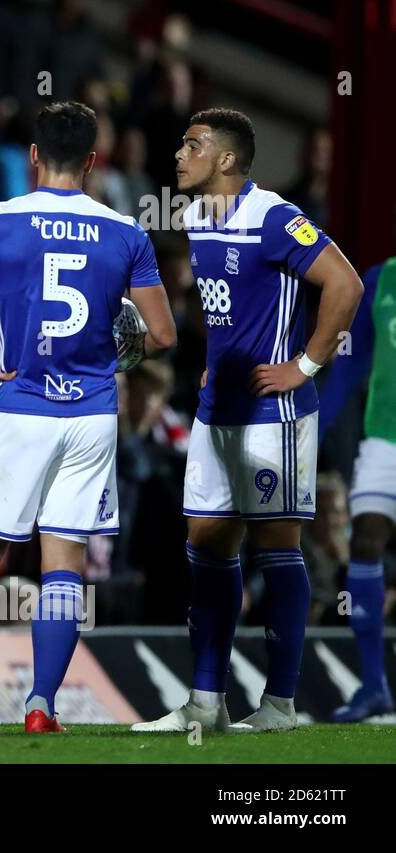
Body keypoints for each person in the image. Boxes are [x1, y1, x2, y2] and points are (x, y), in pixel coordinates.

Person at [0, 101, 176, 733]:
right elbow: (164, 334)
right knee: (64, 560)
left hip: (22, 402)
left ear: (33, 156)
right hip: (90, 415)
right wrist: (125, 348)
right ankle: (42, 706)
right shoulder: (126, 233)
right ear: (93, 161)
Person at [134, 108, 364, 733]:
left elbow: (344, 284)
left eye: (193, 145)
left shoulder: (274, 217)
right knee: (206, 541)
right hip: (219, 411)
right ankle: (206, 703)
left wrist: (306, 365)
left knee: (277, 546)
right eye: (180, 142)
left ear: (228, 161)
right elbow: (229, 309)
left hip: (275, 413)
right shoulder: (196, 218)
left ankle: (281, 705)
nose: (179, 154)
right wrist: (214, 364)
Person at [318, 255, 396, 721]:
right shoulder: (381, 278)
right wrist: (318, 426)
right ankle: (373, 684)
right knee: (364, 540)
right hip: (385, 436)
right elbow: (350, 365)